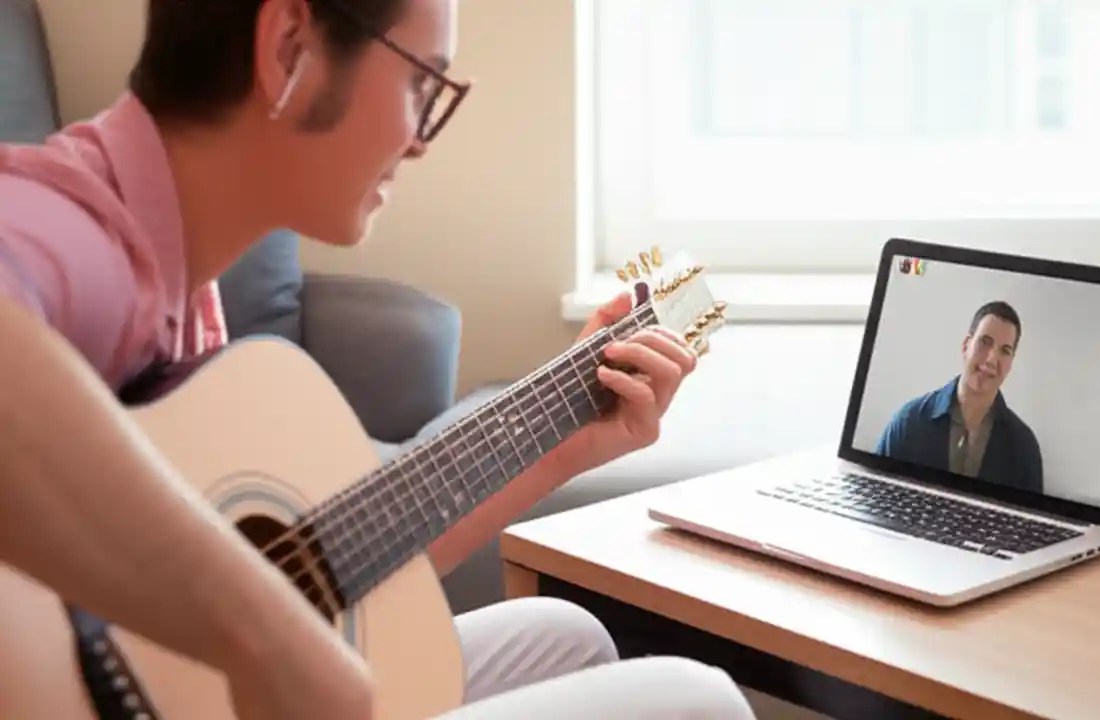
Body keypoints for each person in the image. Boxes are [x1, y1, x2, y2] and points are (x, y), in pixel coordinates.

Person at [0, 0, 754, 718]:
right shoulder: (85, 230)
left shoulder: (184, 286)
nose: (423, 136)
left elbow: (333, 567)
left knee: (565, 635)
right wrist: (266, 634)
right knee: (698, 701)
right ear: (288, 48)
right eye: (422, 80)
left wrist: (572, 438)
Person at [873, 301, 1043, 494]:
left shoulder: (1024, 447)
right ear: (965, 346)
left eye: (1005, 351)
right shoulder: (908, 422)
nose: (991, 360)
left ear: (1011, 363)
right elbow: (873, 494)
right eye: (985, 342)